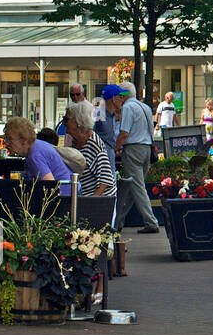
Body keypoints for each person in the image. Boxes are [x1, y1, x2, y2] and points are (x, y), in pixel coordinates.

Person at [108, 84, 159, 234]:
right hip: (146, 148)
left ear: (123, 95)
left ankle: (151, 221)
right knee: (133, 187)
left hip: (133, 149)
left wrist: (115, 148)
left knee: (137, 186)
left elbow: (124, 133)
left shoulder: (128, 108)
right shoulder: (145, 107)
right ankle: (118, 221)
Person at [62, 101, 117, 196]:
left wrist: (90, 204)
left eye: (66, 119)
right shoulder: (77, 141)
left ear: (78, 122)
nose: (63, 122)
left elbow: (105, 181)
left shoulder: (93, 143)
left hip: (99, 203)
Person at [4, 116, 70, 189]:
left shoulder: (34, 156)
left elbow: (49, 185)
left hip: (65, 196)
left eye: (10, 139)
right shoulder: (36, 145)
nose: (6, 143)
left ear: (24, 139)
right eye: (6, 138)